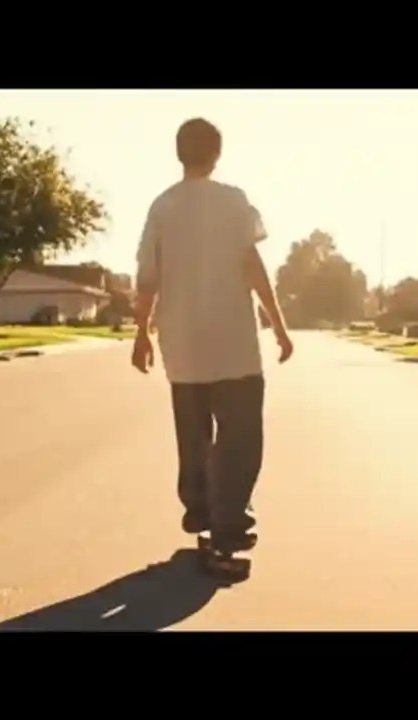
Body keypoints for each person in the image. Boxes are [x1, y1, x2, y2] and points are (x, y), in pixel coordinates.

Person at [130, 117, 293, 552]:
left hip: (182, 345)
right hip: (234, 344)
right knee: (240, 438)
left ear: (178, 153)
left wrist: (141, 334)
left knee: (194, 434)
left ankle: (201, 506)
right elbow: (253, 266)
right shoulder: (234, 202)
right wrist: (278, 326)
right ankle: (227, 521)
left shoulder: (161, 207)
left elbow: (148, 278)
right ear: (217, 154)